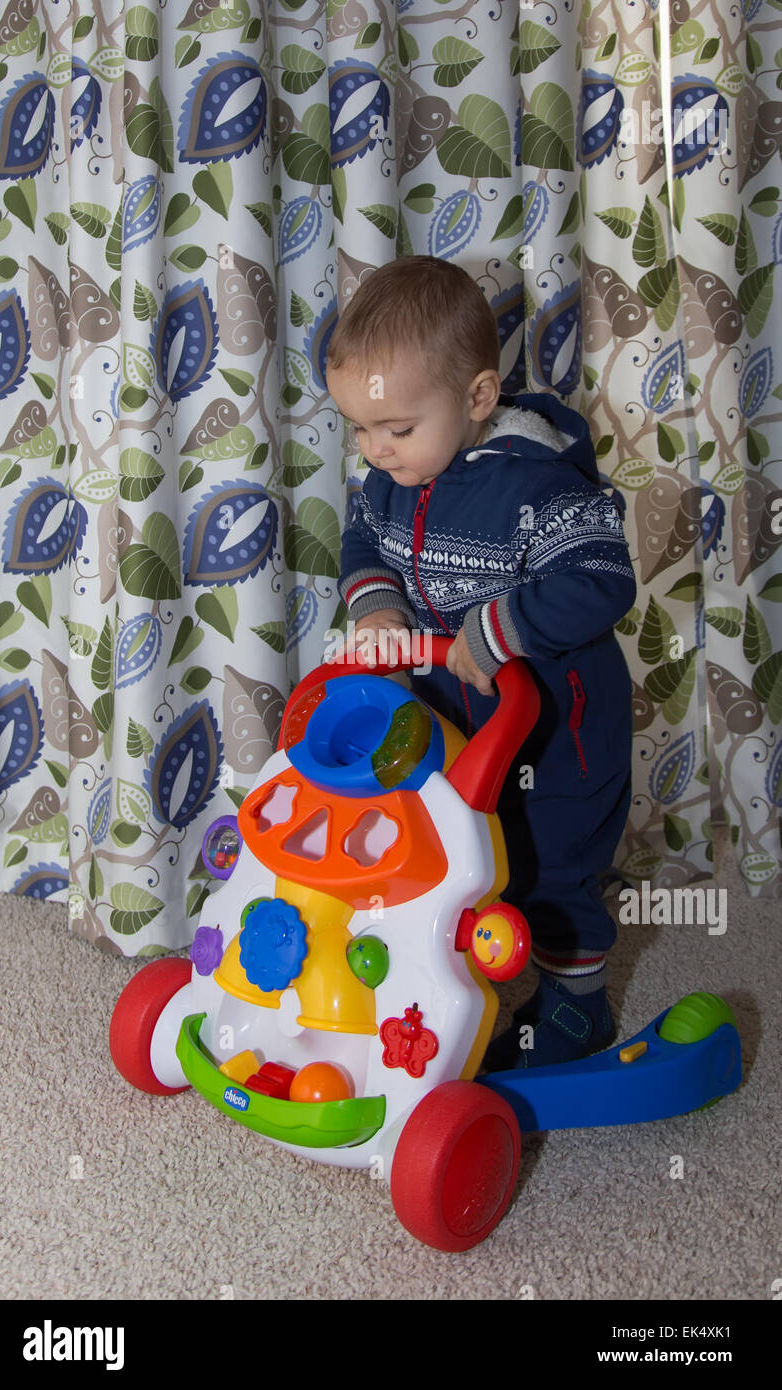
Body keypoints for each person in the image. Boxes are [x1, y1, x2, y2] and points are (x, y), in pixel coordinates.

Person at [324, 255, 636, 1069]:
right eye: (359, 428)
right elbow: (363, 541)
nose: (375, 450)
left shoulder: (539, 487)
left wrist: (497, 631)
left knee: (547, 868)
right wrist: (377, 604)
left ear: (477, 398)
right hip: (453, 727)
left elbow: (601, 581)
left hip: (555, 737)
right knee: (460, 861)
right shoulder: (393, 480)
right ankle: (465, 987)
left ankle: (578, 1008)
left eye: (395, 430)